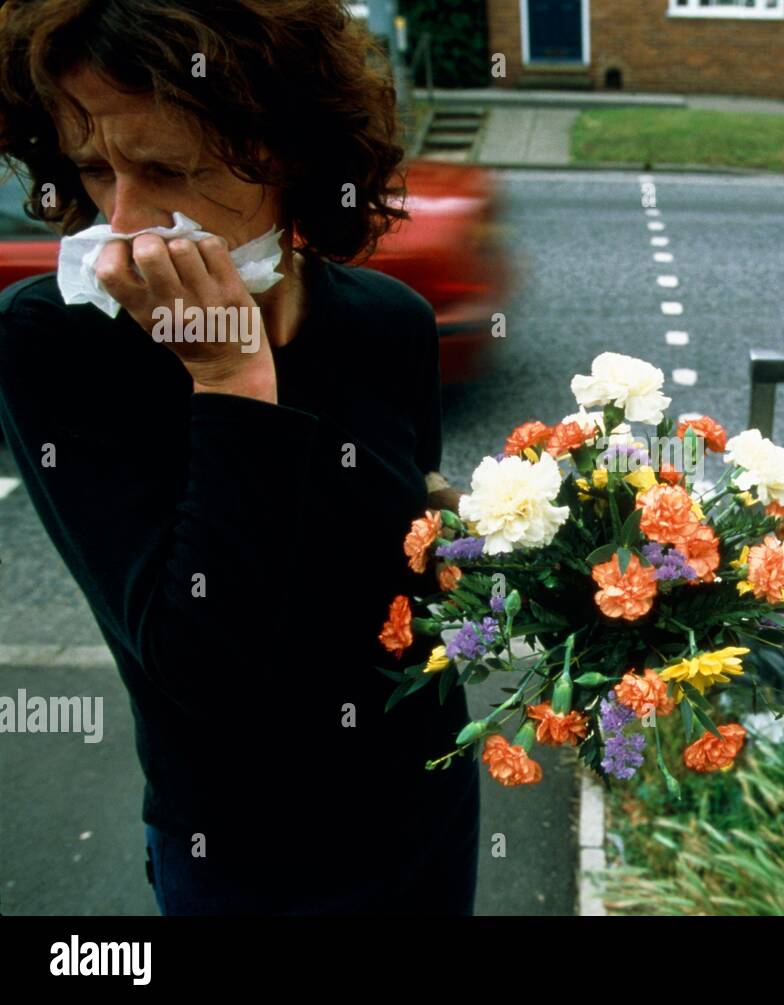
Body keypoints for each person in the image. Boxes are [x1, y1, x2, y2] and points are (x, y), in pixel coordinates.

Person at [0, 0, 479, 915]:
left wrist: (519, 543)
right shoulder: (53, 347)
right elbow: (199, 669)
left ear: (288, 151)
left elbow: (404, 568)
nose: (128, 219)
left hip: (426, 802)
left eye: (166, 168)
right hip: (248, 856)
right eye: (96, 168)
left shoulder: (388, 322)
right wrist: (227, 379)